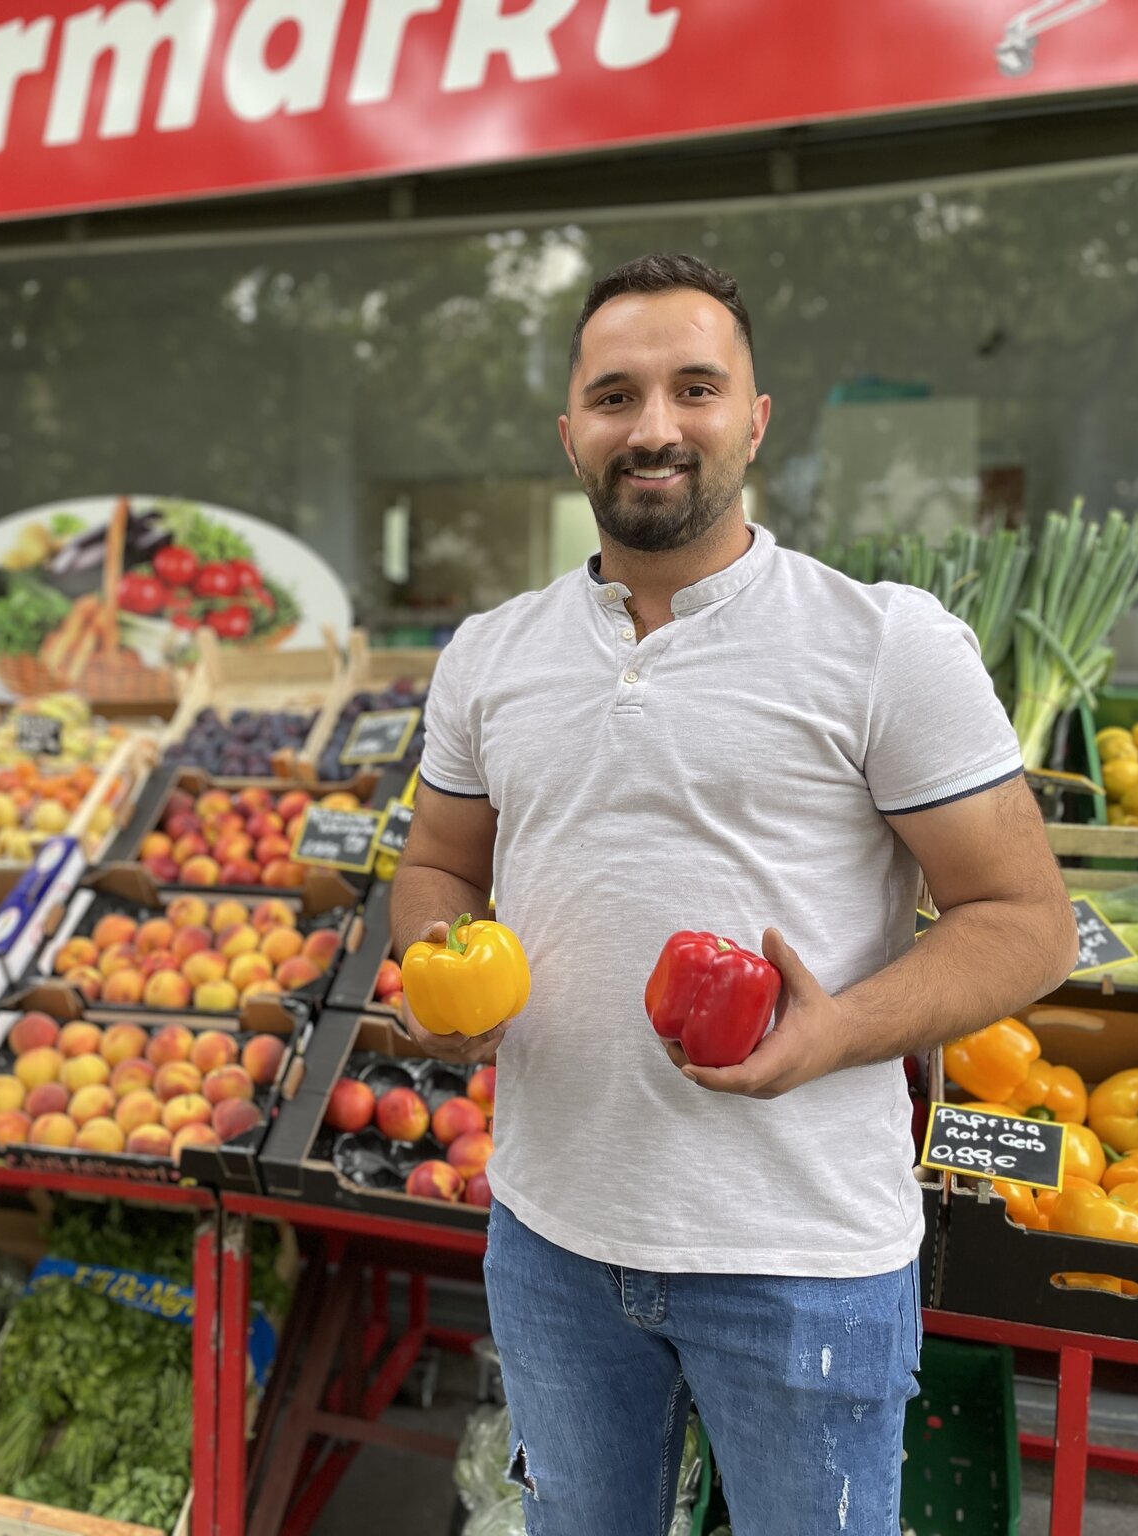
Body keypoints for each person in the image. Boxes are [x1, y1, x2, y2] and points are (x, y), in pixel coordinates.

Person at [391, 252, 1077, 1534]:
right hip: (551, 1238)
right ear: (569, 432)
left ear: (753, 419)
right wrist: (439, 970)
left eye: (693, 388)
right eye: (613, 396)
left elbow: (1026, 926)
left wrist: (839, 1032)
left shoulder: (882, 644)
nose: (652, 427)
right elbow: (436, 865)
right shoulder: (488, 655)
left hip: (799, 1258)